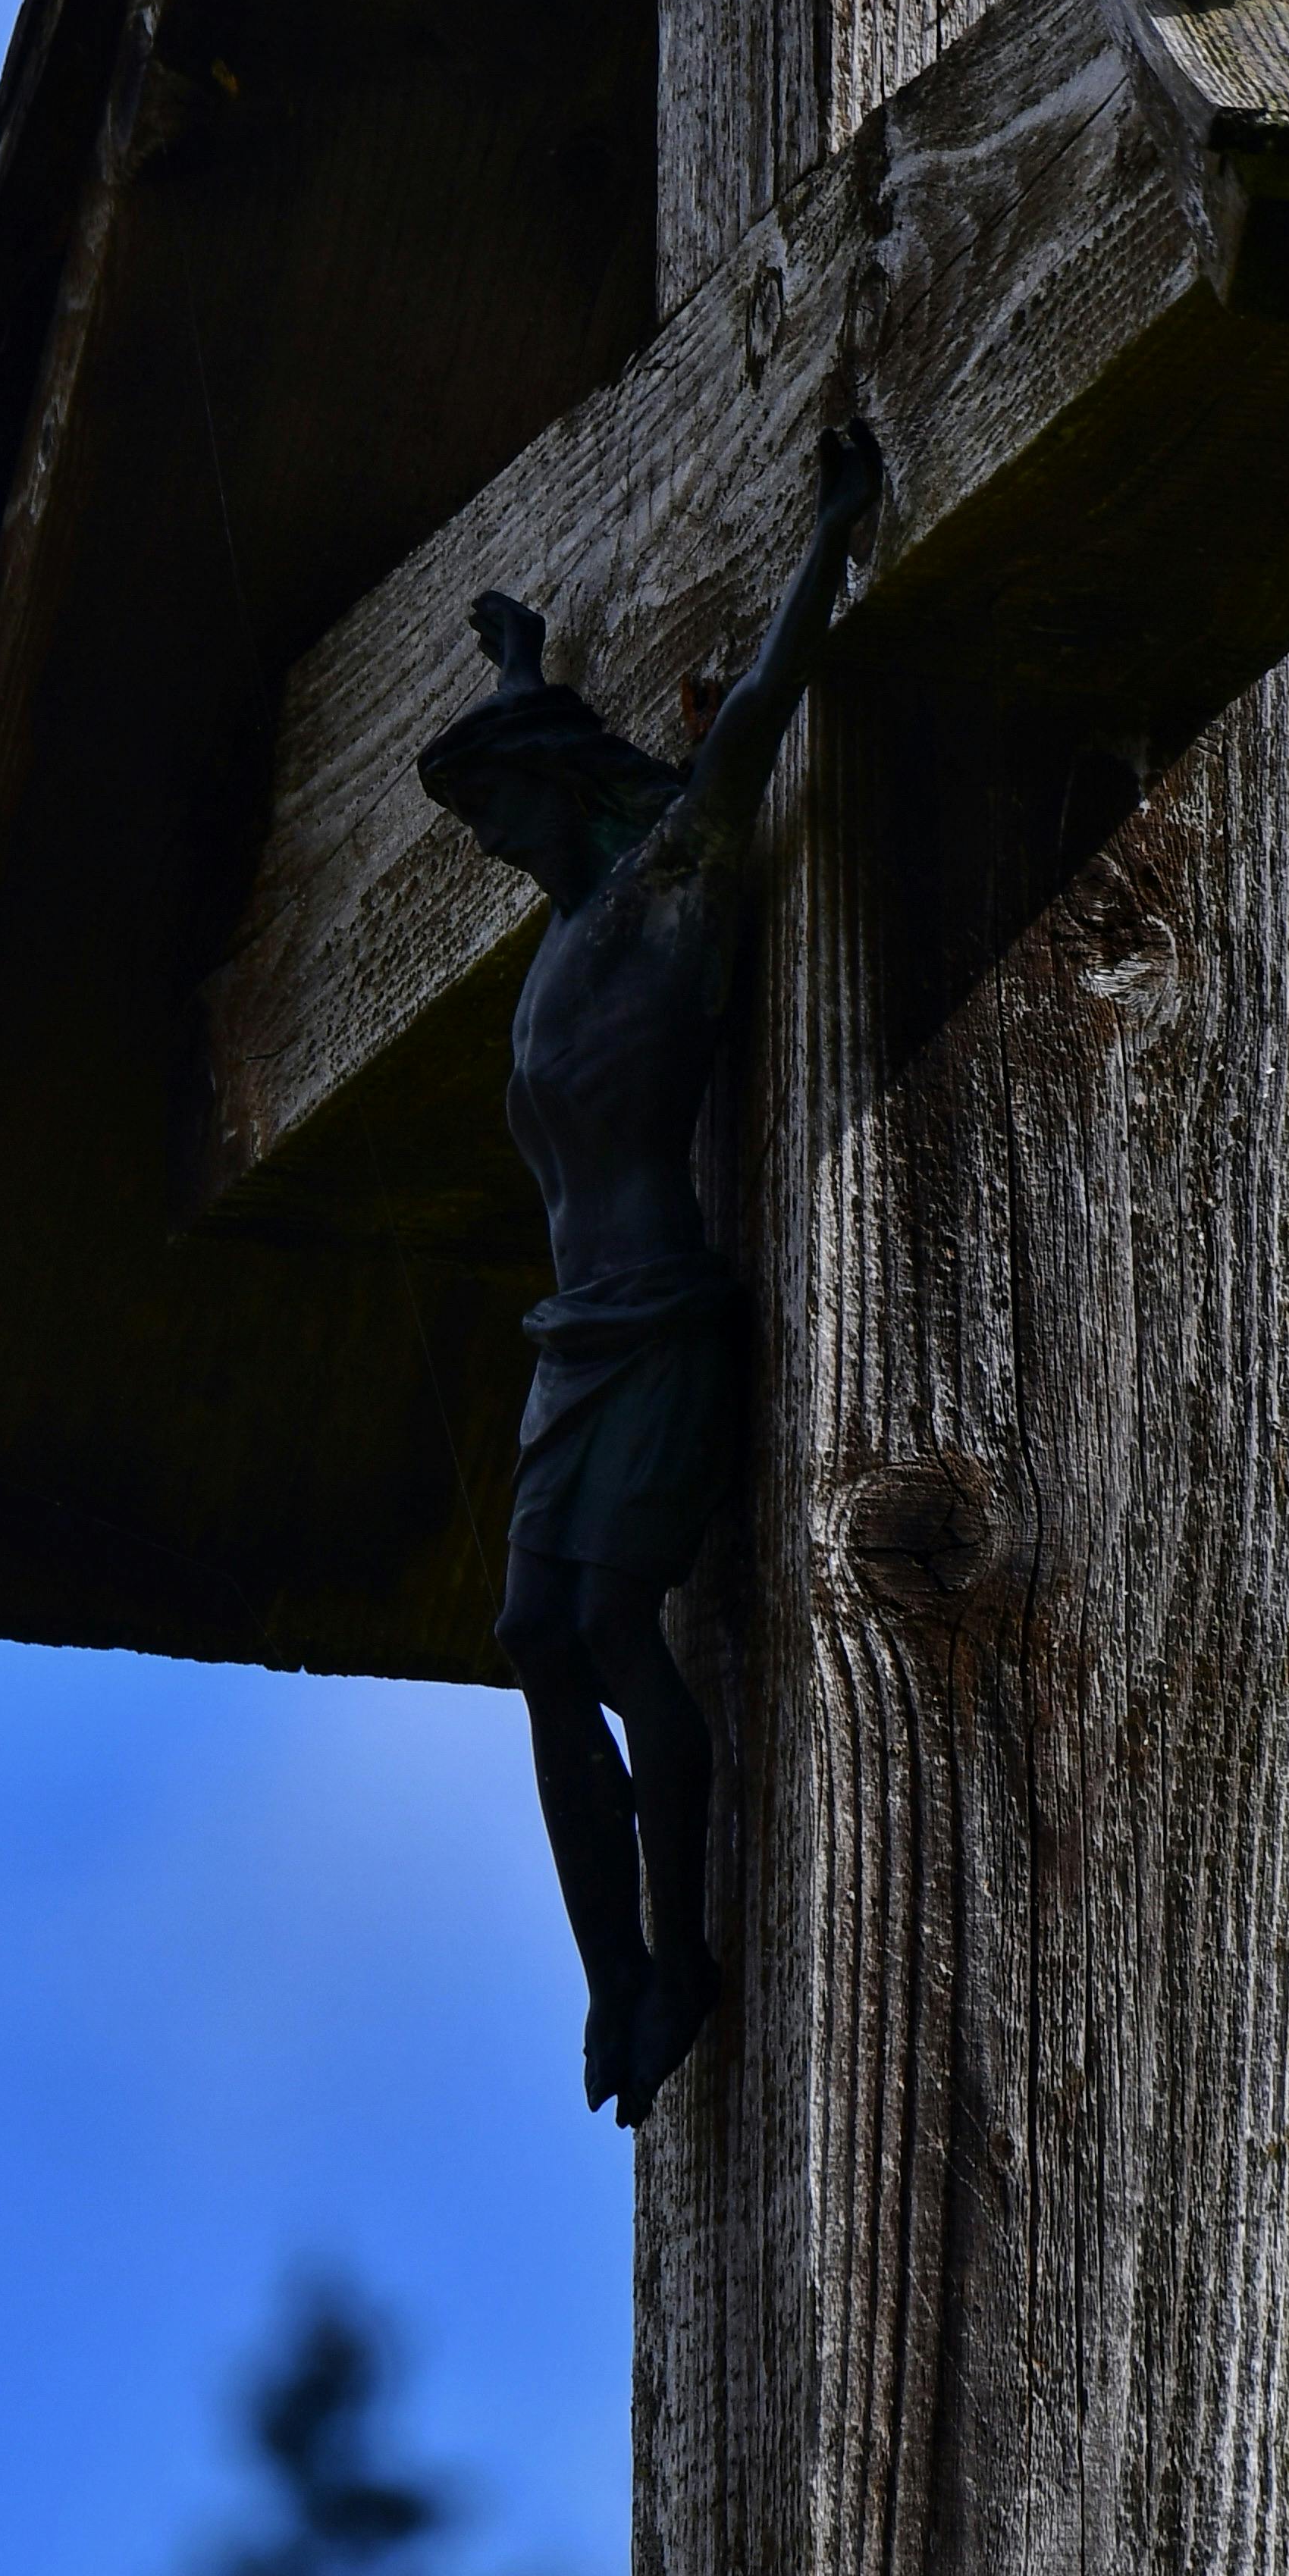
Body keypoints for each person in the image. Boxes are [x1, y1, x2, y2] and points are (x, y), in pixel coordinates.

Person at [416, 423, 885, 2125]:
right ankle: (613, 1969)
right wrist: (524, 663)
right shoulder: (553, 943)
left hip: (661, 1317)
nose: (483, 843)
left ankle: (673, 1952)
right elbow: (554, 747)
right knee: (531, 1631)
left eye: (497, 805)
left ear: (554, 786)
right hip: (570, 1330)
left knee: (613, 1625)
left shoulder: (673, 883)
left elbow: (753, 720)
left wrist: (829, 536)